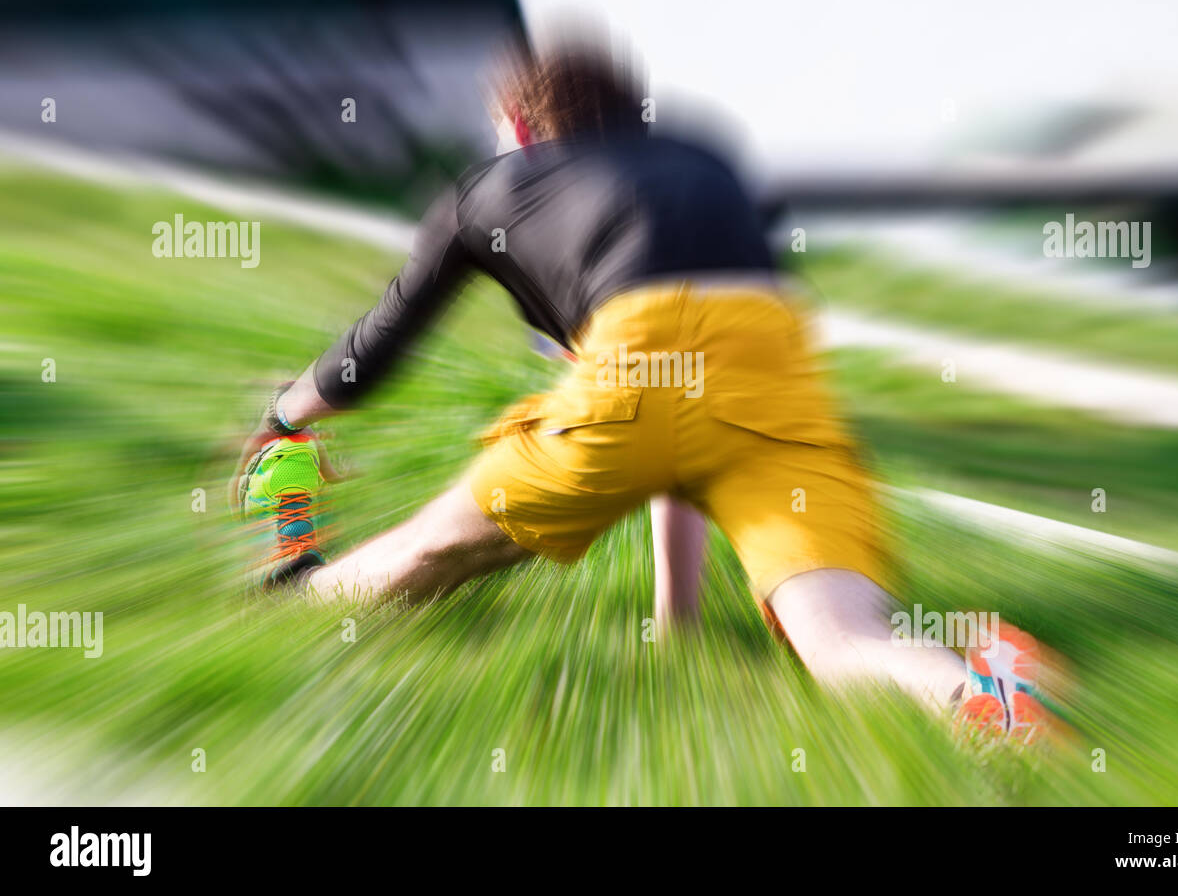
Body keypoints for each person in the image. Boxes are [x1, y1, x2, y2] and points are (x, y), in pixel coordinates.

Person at [230, 36, 1048, 734]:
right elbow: (684, 433)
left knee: (426, 552)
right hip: (777, 371)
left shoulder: (494, 185)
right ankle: (981, 696)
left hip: (634, 363)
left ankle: (297, 586)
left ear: (519, 125)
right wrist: (675, 622)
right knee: (842, 643)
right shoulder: (703, 159)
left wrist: (283, 413)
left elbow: (377, 347)